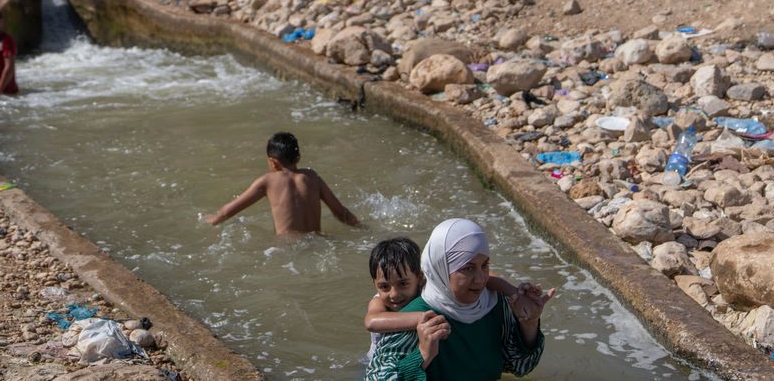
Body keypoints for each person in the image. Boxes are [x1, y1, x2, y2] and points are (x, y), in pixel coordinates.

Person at [366, 219, 553, 380]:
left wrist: (529, 323)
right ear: (441, 268)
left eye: (484, 265)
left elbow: (520, 367)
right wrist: (422, 354)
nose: (480, 279)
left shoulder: (495, 303)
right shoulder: (415, 321)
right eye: (467, 268)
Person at [206, 132, 359, 235]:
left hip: (289, 248)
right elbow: (341, 213)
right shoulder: (312, 176)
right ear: (298, 157)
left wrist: (212, 220)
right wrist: (361, 227)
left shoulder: (268, 181)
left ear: (273, 162)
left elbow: (227, 211)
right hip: (318, 241)